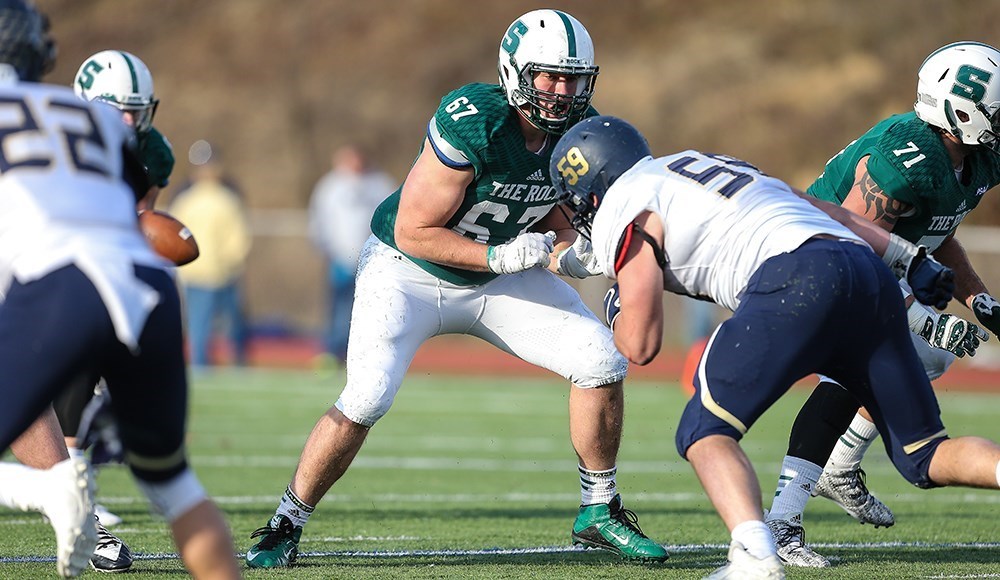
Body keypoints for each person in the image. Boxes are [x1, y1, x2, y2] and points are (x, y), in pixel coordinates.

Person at [244, 9, 669, 569]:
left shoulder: (581, 132)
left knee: (600, 358)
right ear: (516, 71)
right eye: (549, 76)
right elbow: (413, 230)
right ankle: (285, 523)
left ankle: (599, 508)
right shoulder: (474, 118)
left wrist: (575, 255)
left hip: (499, 278)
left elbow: (561, 224)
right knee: (368, 395)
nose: (563, 91)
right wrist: (500, 253)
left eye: (573, 78)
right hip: (406, 271)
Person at [549, 115, 1000, 578]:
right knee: (926, 457)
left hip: (794, 279)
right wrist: (907, 257)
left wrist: (618, 307)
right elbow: (820, 206)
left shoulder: (627, 206)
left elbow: (640, 344)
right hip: (869, 273)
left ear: (594, 191)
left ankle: (754, 558)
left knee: (705, 433)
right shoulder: (698, 162)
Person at [0, 1, 241, 578]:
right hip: (147, 288)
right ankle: (72, 471)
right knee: (176, 488)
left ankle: (55, 491)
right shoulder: (100, 123)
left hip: (63, 281)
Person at [761, 40, 1000, 568]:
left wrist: (978, 298)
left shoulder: (975, 157)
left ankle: (839, 466)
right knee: (853, 369)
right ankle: (781, 522)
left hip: (876, 263)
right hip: (814, 257)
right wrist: (917, 315)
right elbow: (850, 245)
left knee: (929, 357)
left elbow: (939, 234)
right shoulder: (904, 158)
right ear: (960, 110)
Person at [5, 48, 179, 573]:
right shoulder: (30, 122)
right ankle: (69, 498)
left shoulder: (149, 150)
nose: (130, 121)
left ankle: (74, 505)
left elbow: (136, 223)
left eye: (137, 110)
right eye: (119, 109)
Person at [307, 144, 395, 365]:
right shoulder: (330, 186)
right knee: (339, 307)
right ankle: (333, 352)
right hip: (339, 257)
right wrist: (324, 247)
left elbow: (394, 216)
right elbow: (319, 219)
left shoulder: (379, 184)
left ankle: (367, 355)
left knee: (372, 308)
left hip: (374, 259)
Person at [169, 141, 252, 368]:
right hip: (197, 275)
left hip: (223, 273)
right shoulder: (187, 200)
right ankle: (201, 369)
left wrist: (231, 261)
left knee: (233, 328)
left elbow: (238, 237)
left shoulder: (226, 199)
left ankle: (237, 368)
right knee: (200, 328)